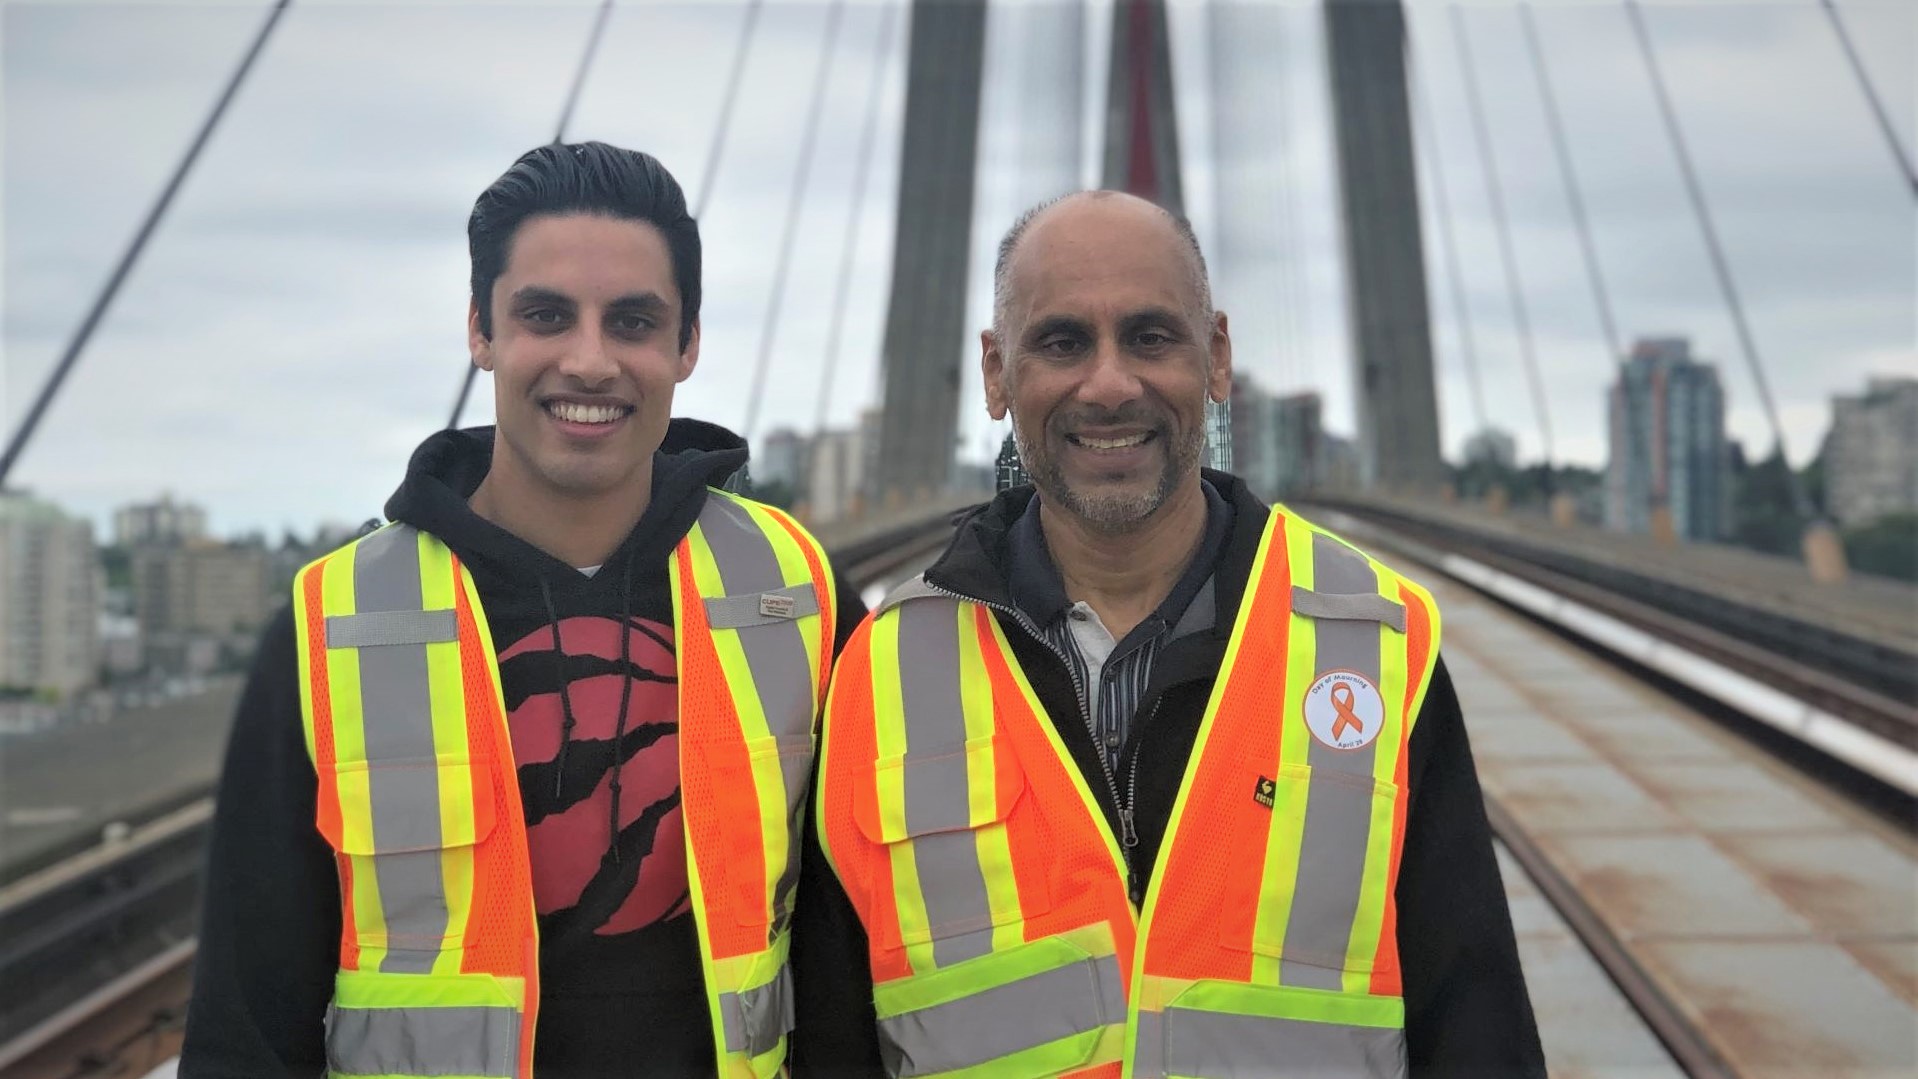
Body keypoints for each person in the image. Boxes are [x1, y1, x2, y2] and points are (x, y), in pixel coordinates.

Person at [806, 191, 1545, 1078]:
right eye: (1063, 341)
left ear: (1217, 358)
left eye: (1152, 337)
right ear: (998, 373)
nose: (1110, 384)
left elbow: (1475, 1026)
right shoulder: (880, 674)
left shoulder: (1374, 648)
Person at [181, 142, 868, 1078]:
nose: (589, 361)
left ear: (688, 344)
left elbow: (849, 965)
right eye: (546, 315)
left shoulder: (799, 594)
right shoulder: (328, 627)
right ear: (480, 329)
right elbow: (248, 1020)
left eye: (633, 321)